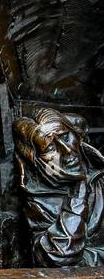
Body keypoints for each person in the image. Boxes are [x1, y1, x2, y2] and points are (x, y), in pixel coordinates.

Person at [14, 107, 104, 267]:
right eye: (50, 148)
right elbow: (59, 259)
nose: (67, 150)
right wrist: (78, 192)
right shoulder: (39, 203)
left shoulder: (100, 176)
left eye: (65, 136)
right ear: (38, 161)